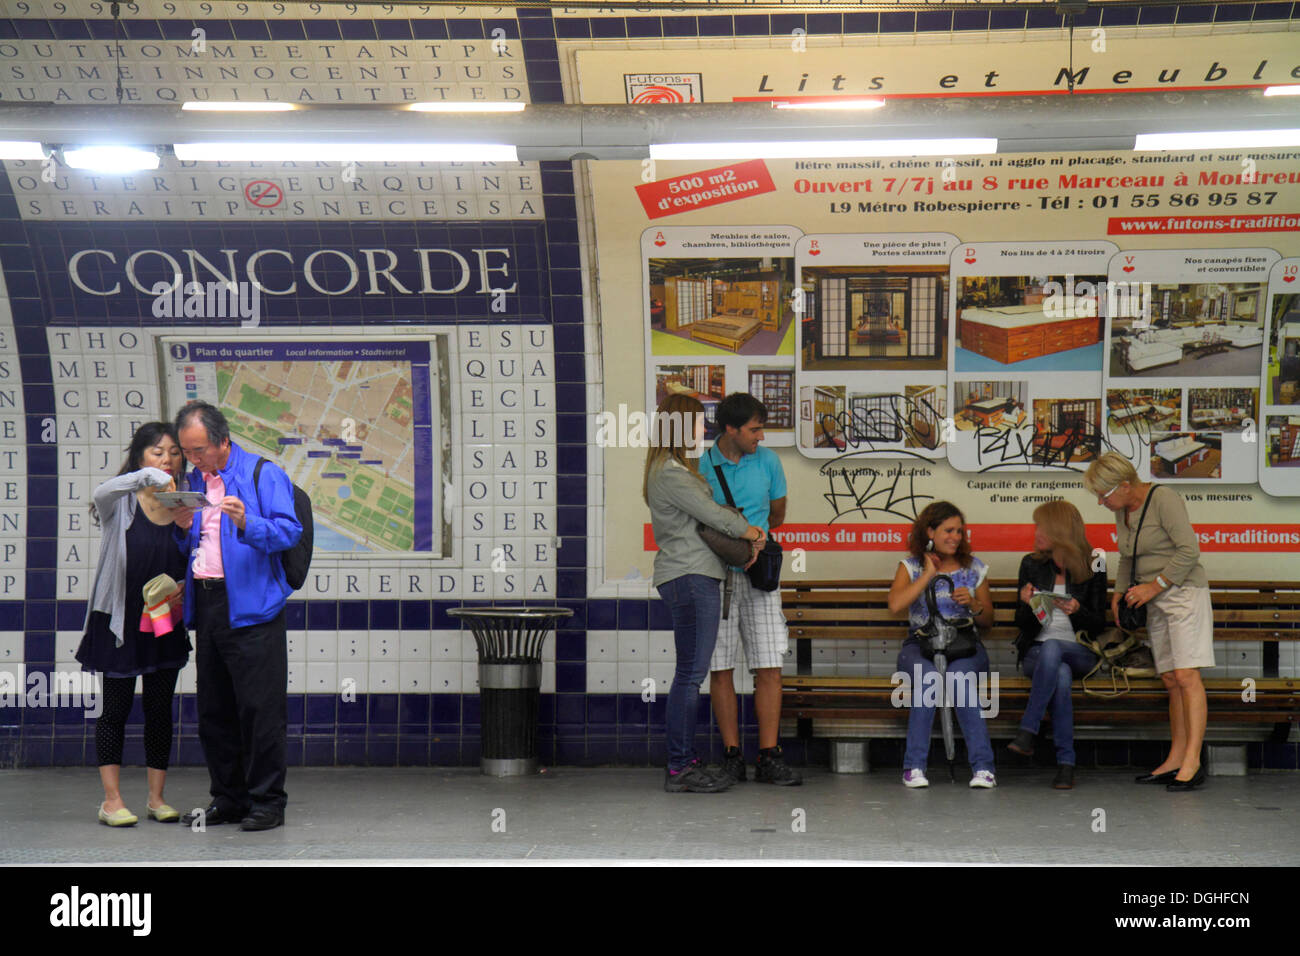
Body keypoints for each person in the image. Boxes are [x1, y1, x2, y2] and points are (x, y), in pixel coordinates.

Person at [171, 401, 302, 830]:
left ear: (223, 440)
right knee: (214, 710)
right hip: (207, 605)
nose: (193, 459)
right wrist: (181, 526)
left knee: (259, 711)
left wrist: (248, 523)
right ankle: (228, 798)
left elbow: (289, 531)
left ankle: (268, 802)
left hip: (253, 608)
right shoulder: (195, 483)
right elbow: (194, 548)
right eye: (187, 452)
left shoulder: (264, 474)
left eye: (200, 450)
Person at [645, 394, 766, 793]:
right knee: (690, 676)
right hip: (691, 577)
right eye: (698, 423)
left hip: (690, 576)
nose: (704, 430)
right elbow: (712, 515)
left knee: (689, 674)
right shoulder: (672, 472)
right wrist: (751, 532)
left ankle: (685, 761)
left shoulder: (673, 467)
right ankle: (680, 767)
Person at [77, 423, 191, 827]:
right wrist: (146, 478)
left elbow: (193, 559)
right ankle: (112, 801)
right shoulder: (121, 501)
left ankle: (156, 798)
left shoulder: (184, 504)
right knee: (117, 710)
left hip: (163, 620)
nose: (167, 460)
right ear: (141, 456)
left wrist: (184, 582)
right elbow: (100, 493)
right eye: (157, 452)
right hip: (120, 622)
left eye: (174, 453)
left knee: (160, 710)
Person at [1084, 452, 1213, 791]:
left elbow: (1189, 551)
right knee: (1170, 679)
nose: (1100, 502)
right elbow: (1129, 555)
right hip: (1152, 599)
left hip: (1183, 593)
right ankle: (1176, 757)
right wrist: (1120, 591)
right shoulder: (1123, 510)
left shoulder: (1164, 499)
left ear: (1125, 485)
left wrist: (1154, 586)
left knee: (1187, 675)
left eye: (1104, 494)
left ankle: (1194, 762)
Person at [703, 392, 800, 786]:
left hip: (760, 575)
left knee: (769, 665)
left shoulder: (770, 462)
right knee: (720, 666)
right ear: (730, 429)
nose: (761, 436)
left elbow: (777, 514)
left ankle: (769, 754)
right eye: (755, 429)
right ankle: (730, 754)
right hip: (715, 576)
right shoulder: (701, 465)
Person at [887, 501, 997, 789]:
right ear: (930, 531)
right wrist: (927, 574)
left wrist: (973, 604)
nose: (955, 537)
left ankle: (984, 768)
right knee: (928, 679)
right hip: (920, 645)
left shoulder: (974, 568)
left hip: (964, 645)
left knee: (959, 679)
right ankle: (914, 767)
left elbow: (988, 620)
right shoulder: (910, 567)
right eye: (948, 530)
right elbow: (896, 605)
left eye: (959, 531)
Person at [1007, 501, 1107, 790]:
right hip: (1037, 652)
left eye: (1042, 526)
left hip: (1080, 650)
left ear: (1060, 530)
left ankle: (1028, 732)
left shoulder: (1095, 561)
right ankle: (1066, 764)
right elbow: (1022, 625)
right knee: (1058, 671)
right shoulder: (1031, 564)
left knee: (1056, 650)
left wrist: (1078, 610)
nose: (1036, 532)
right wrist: (1028, 605)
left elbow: (1100, 623)